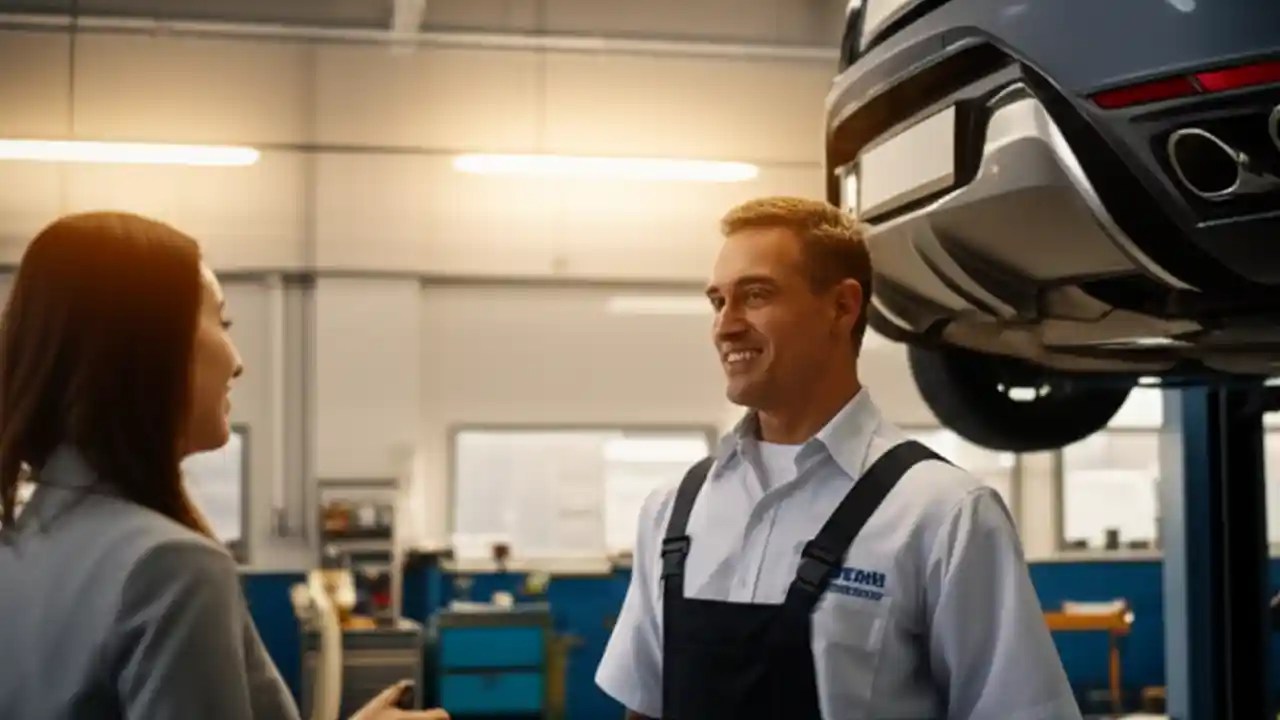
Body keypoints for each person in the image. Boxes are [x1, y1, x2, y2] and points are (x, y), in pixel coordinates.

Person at [595, 197, 1080, 720]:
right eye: (718, 301)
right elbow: (644, 706)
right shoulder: (672, 512)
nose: (725, 326)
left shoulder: (943, 515)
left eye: (755, 295)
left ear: (842, 307)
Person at [0, 212, 449, 720]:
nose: (238, 362)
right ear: (149, 344)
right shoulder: (169, 566)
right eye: (222, 322)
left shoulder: (20, 544)